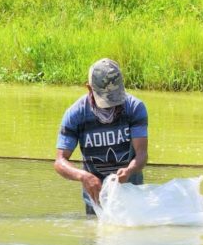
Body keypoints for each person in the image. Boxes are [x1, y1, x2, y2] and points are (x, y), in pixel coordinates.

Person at [54, 59, 149, 215]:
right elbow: (60, 161)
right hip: (95, 201)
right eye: (106, 98)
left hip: (132, 197)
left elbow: (142, 154)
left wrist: (129, 170)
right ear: (89, 88)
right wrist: (83, 176)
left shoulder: (134, 108)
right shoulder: (76, 114)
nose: (111, 104)